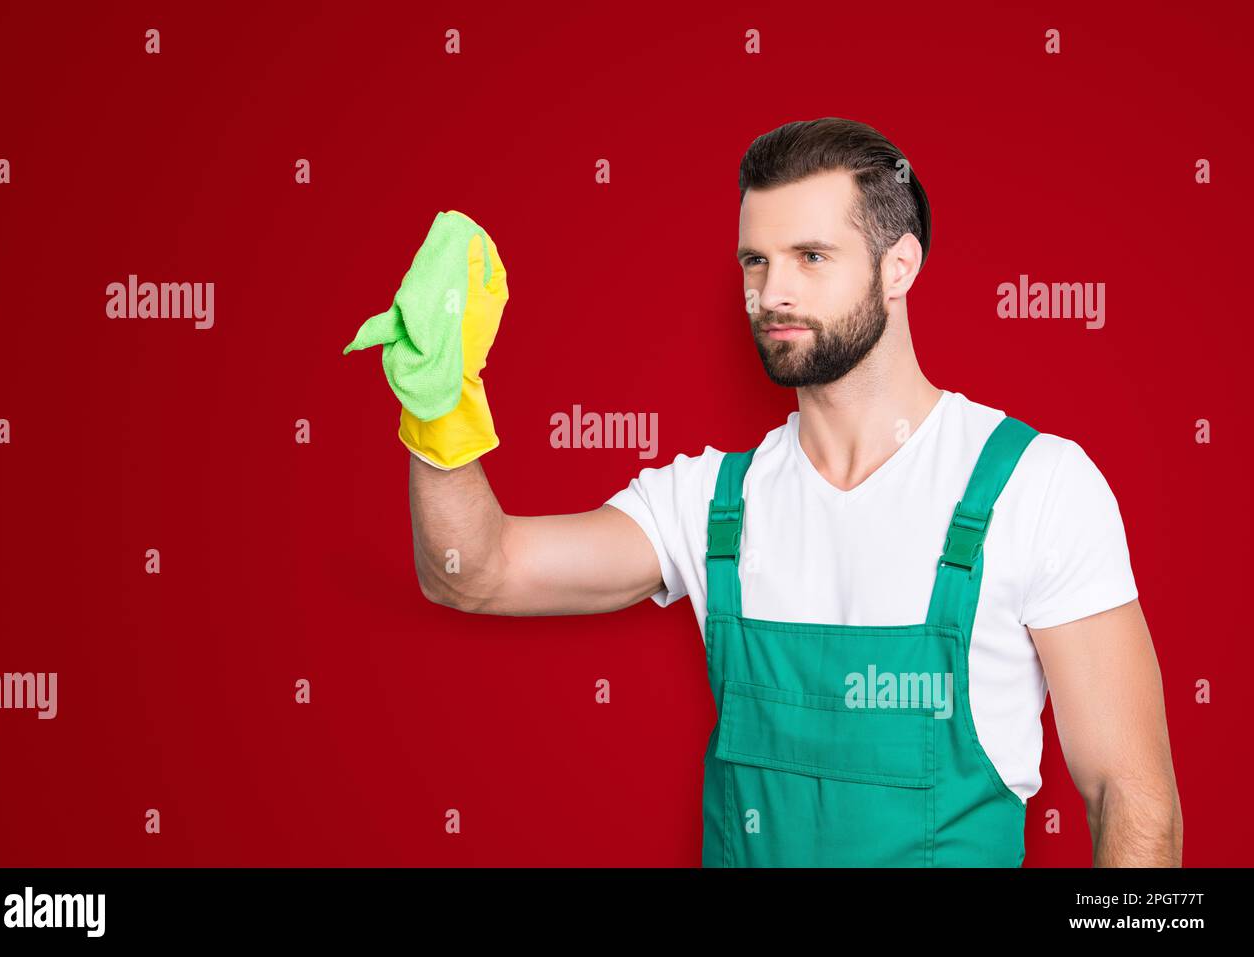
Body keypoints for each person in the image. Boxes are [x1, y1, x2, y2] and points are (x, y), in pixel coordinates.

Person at [372, 118, 1182, 867]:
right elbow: (473, 572)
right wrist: (438, 404)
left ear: (899, 266)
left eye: (811, 256)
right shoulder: (710, 502)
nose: (772, 293)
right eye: (755, 261)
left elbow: (1132, 797)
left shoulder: (1034, 487)